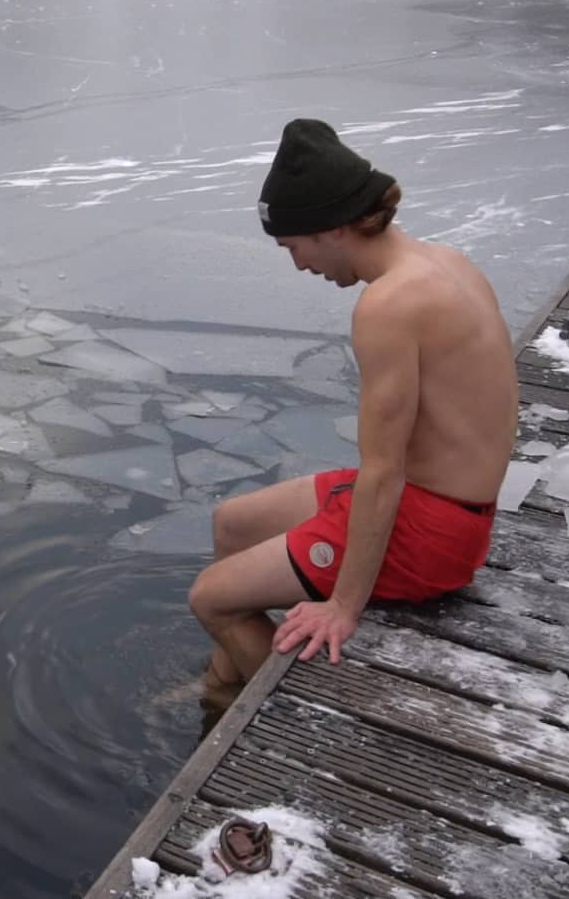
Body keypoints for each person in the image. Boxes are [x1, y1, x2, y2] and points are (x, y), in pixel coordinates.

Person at [188, 118, 519, 706]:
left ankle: (274, 716)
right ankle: (226, 678)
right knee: (231, 523)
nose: (299, 266)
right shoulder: (445, 262)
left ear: (334, 228)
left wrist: (343, 604)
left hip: (432, 531)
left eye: (294, 247)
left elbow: (384, 472)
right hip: (446, 505)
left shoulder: (389, 306)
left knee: (210, 598)